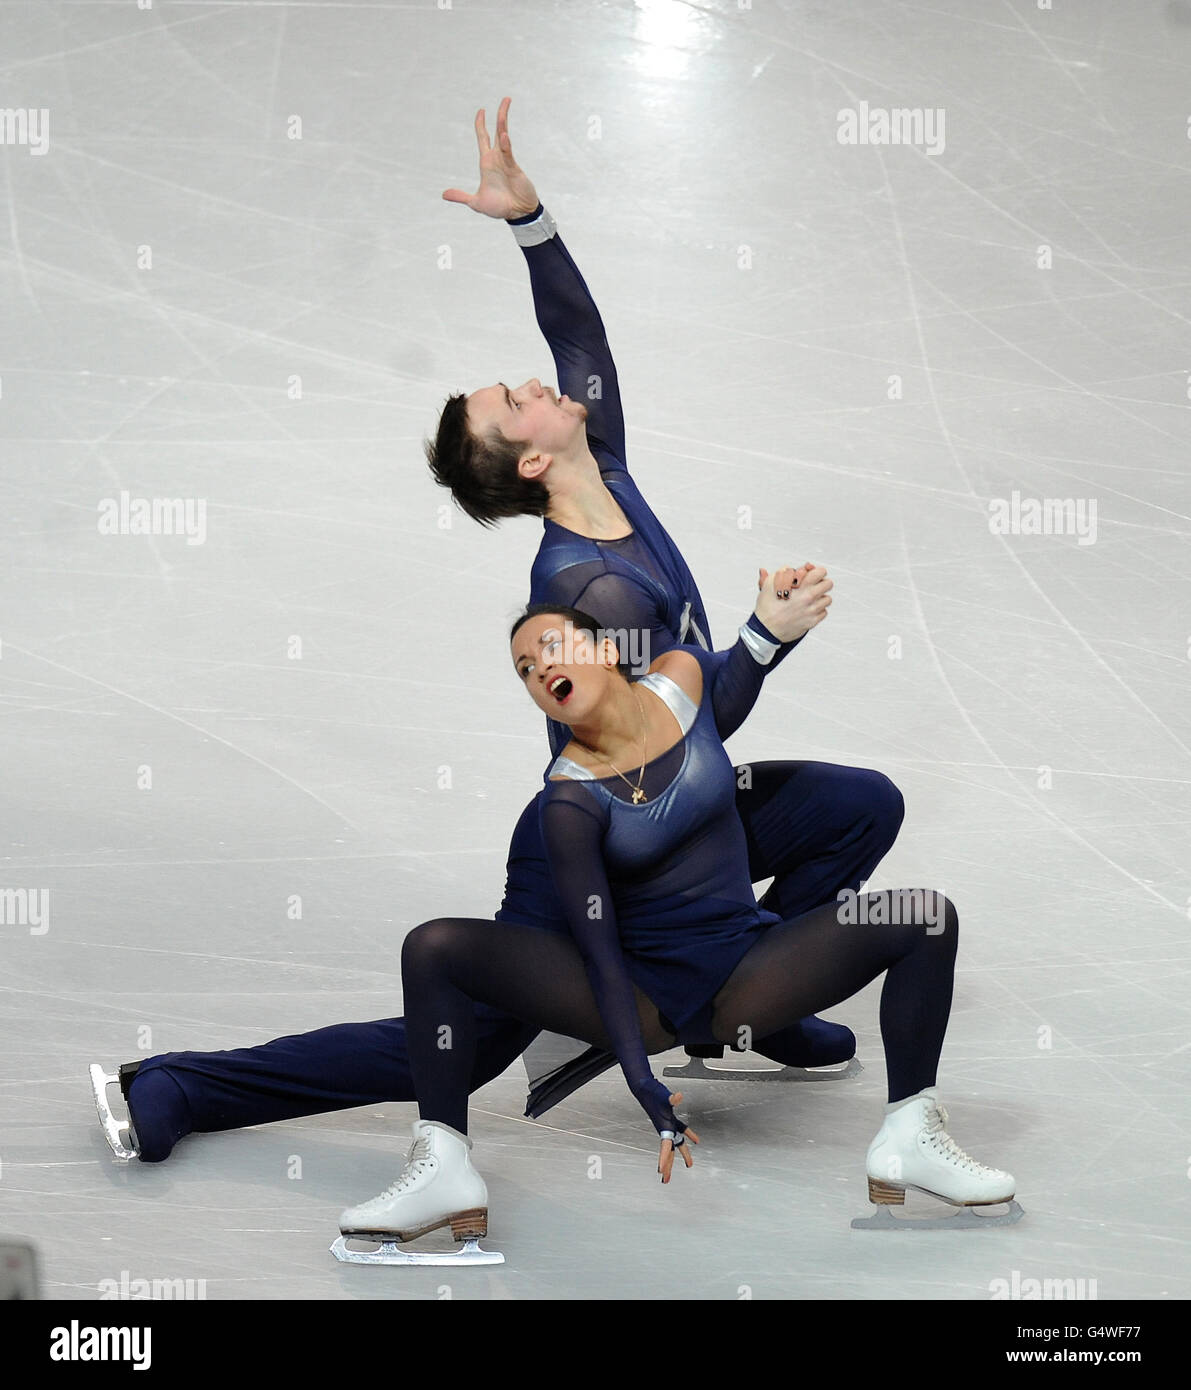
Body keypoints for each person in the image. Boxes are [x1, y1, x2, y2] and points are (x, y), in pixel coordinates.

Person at [90, 98, 903, 1165]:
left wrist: (529, 220)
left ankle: (746, 1006)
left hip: (675, 814)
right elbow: (688, 726)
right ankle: (177, 1090)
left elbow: (579, 334)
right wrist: (765, 635)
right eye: (515, 399)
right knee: (462, 1049)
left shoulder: (598, 463)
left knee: (854, 810)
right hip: (602, 847)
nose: (536, 383)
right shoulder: (590, 591)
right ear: (530, 460)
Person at [336, 602, 1016, 1255]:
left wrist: (772, 627)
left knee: (923, 916)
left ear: (604, 652)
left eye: (548, 651)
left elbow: (739, 677)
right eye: (522, 670)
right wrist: (640, 1079)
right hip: (644, 996)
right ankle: (442, 1168)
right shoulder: (569, 797)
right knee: (434, 946)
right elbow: (597, 948)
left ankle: (910, 1139)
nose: (538, 672)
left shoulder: (681, 681)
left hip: (745, 970)